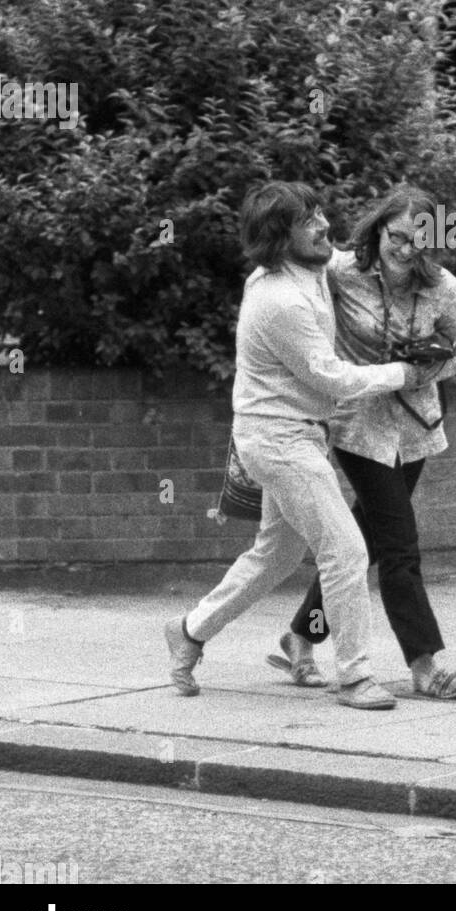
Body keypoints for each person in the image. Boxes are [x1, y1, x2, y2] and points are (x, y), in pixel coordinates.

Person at [164, 181, 422, 710]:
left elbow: (353, 260)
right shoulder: (279, 300)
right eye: (308, 221)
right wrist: (404, 371)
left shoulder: (311, 266)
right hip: (279, 439)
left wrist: (400, 245)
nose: (324, 224)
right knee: (347, 550)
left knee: (275, 556)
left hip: (294, 434)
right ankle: (354, 676)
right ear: (281, 241)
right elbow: (331, 378)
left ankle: (188, 631)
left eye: (319, 211)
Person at [266, 186, 456, 700]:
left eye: (419, 241)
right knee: (400, 543)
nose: (406, 249)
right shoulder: (340, 273)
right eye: (397, 237)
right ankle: (425, 665)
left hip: (416, 427)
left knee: (372, 540)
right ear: (379, 229)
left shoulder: (443, 287)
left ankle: (300, 634)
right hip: (358, 427)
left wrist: (425, 365)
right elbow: (282, 272)